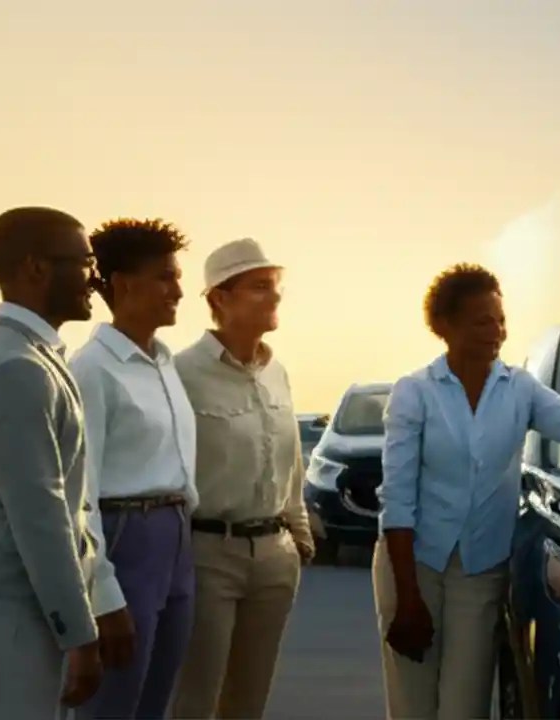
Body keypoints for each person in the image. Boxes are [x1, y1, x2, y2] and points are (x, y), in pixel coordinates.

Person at [374, 263, 560, 720]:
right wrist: (408, 598)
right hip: (412, 563)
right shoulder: (414, 393)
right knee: (413, 705)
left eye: (500, 320)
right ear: (445, 326)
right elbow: (396, 500)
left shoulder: (519, 389)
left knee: (464, 706)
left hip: (480, 568)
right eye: (482, 321)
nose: (496, 332)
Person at [0, 207, 118, 718]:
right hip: (9, 611)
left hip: (20, 606)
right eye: (85, 262)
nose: (95, 278)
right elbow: (41, 518)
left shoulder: (30, 354)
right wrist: (79, 634)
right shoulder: (17, 368)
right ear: (36, 268)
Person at [169, 238, 314, 719]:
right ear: (219, 298)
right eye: (258, 286)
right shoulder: (181, 373)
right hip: (209, 554)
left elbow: (290, 456)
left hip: (274, 556)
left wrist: (298, 531)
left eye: (274, 285)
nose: (274, 296)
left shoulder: (277, 372)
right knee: (197, 697)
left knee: (249, 702)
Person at [69, 218, 198, 718]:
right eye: (165, 277)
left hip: (176, 539)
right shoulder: (92, 369)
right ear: (123, 285)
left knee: (153, 703)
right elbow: (81, 491)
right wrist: (102, 592)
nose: (178, 291)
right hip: (126, 538)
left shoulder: (164, 362)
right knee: (113, 703)